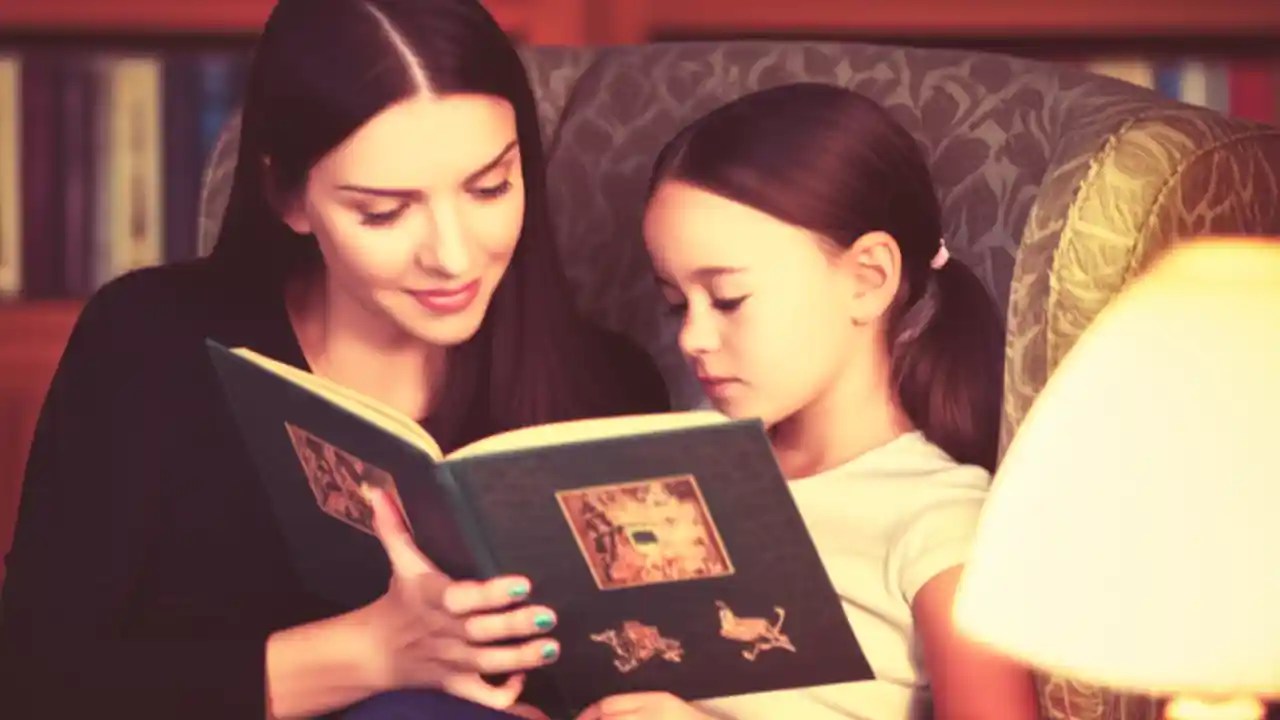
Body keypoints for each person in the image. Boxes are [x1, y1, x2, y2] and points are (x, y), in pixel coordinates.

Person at [0, 0, 669, 718]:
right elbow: (34, 681)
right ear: (290, 197)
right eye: (384, 211)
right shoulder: (150, 342)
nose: (453, 256)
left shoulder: (608, 389)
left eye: (490, 187)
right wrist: (369, 654)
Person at [573, 83, 1040, 719]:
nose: (691, 336)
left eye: (729, 299)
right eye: (677, 304)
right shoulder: (681, 470)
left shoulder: (938, 524)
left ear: (868, 279)